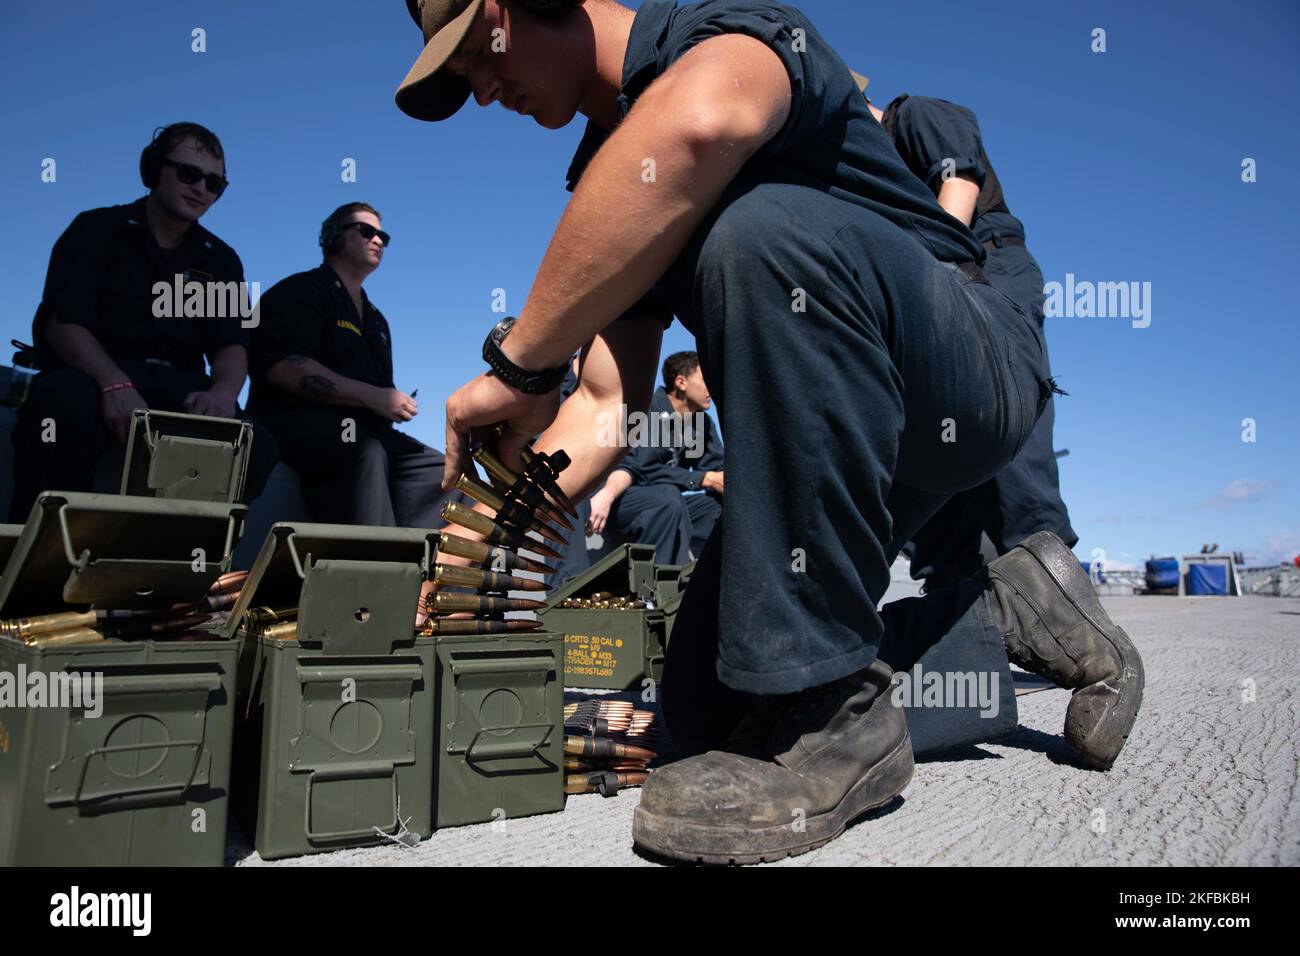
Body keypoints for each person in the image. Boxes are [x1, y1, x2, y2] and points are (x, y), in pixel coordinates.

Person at [395, 0, 1144, 863]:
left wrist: (519, 362)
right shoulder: (605, 179)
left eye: (476, 54)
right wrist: (475, 549)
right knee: (707, 709)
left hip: (967, 365)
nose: (481, 89)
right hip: (851, 434)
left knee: (761, 236)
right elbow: (603, 409)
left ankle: (837, 716)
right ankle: (1003, 613)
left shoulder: (717, 30)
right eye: (459, 79)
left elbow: (705, 124)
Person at [860, 80, 1077, 586]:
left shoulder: (915, 115)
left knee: (1009, 417)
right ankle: (951, 604)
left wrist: (933, 275)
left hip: (983, 263)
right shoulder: (876, 168)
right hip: (939, 275)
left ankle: (1054, 590)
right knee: (940, 429)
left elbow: (960, 185)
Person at [9, 122, 278, 522]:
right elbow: (64, 323)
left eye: (214, 184)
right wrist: (113, 384)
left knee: (257, 444)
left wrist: (222, 393)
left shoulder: (219, 259)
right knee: (58, 402)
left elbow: (231, 345)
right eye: (188, 173)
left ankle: (185, 560)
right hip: (97, 373)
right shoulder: (96, 230)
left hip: (180, 386)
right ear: (154, 170)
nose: (201, 188)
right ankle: (46, 555)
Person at [248, 202, 457, 530]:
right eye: (366, 231)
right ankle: (378, 572)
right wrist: (377, 397)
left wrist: (384, 403)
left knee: (443, 472)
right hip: (293, 422)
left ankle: (441, 575)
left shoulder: (376, 320)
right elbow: (283, 368)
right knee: (364, 453)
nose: (378, 241)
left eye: (383, 236)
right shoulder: (298, 292)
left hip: (367, 430)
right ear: (332, 237)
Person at [588, 350, 722, 563]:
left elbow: (718, 469)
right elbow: (644, 468)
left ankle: (702, 572)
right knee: (668, 499)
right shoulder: (646, 407)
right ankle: (657, 587)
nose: (711, 388)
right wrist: (705, 479)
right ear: (681, 382)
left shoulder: (702, 424)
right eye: (705, 380)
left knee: (716, 507)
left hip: (667, 501)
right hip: (619, 499)